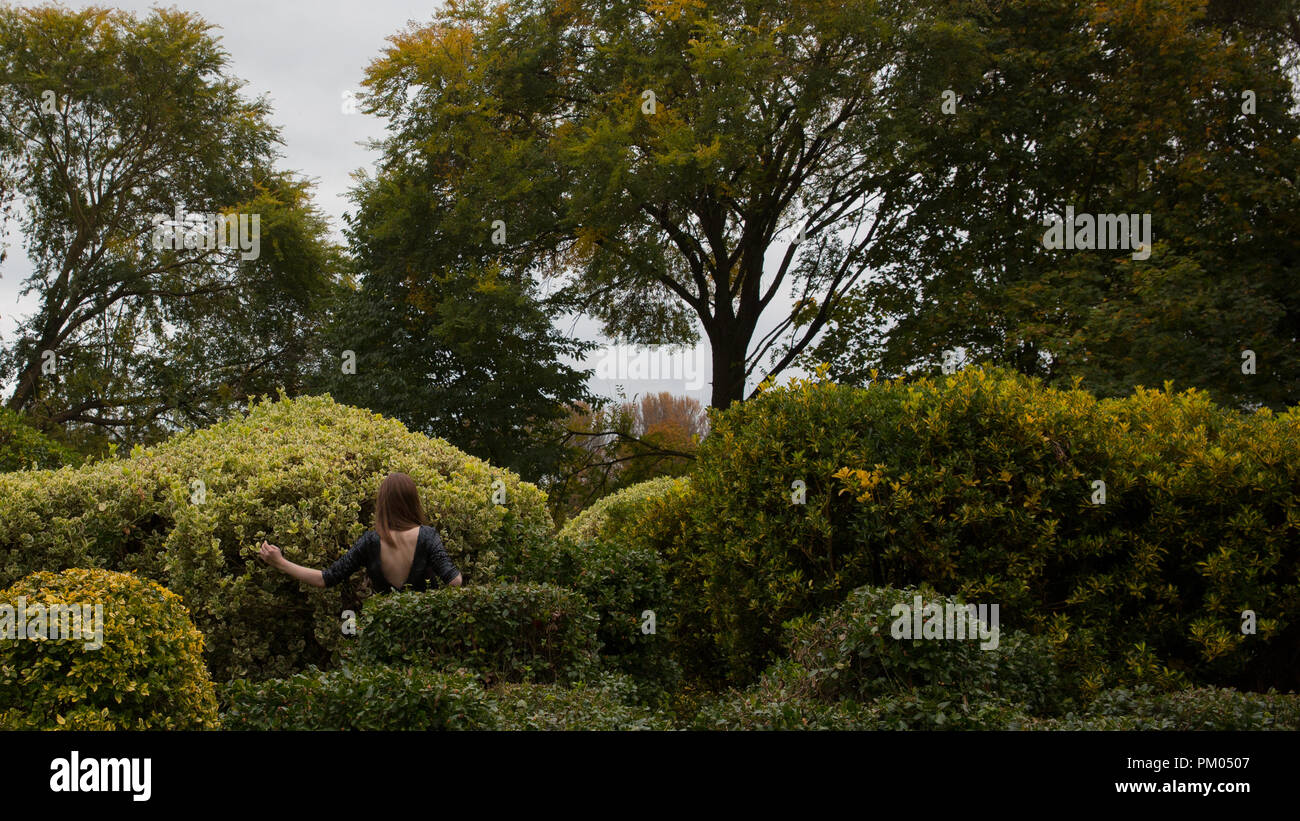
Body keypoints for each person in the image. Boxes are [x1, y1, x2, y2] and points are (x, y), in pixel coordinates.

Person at [257, 472, 463, 592]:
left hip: (384, 638)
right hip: (425, 641)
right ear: (413, 502)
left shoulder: (371, 541)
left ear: (383, 504)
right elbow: (454, 581)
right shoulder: (427, 536)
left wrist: (281, 563)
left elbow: (326, 578)